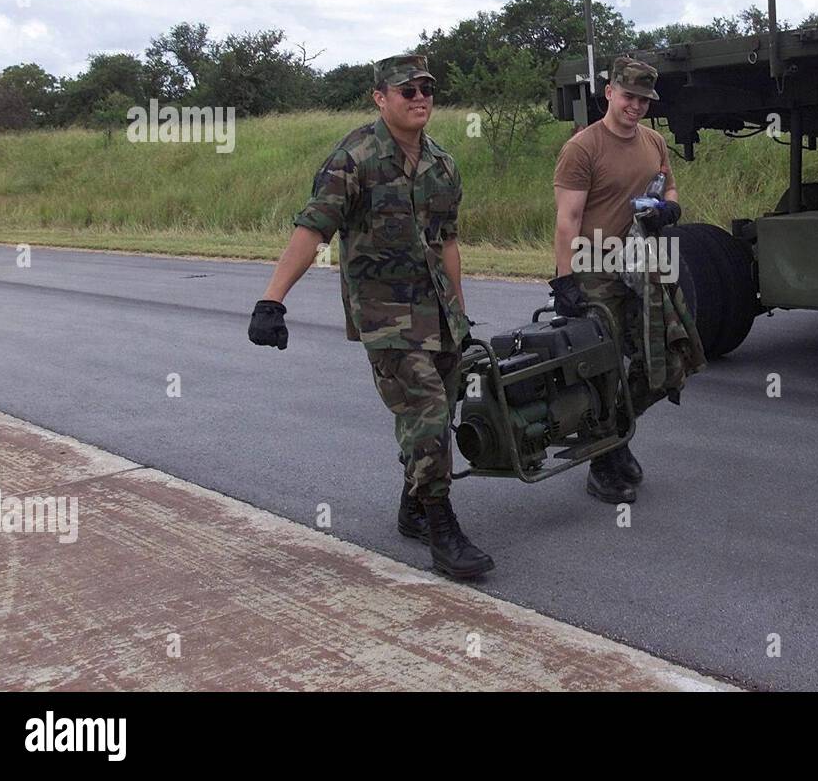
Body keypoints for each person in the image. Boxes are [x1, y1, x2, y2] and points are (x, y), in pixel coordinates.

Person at [247, 53, 493, 580]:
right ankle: (441, 524)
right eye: (408, 91)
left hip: (438, 313)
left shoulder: (443, 164)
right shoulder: (353, 159)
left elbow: (448, 241)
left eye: (427, 88)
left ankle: (411, 506)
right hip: (385, 315)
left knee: (438, 411)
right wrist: (272, 299)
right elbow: (314, 230)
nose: (420, 97)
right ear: (381, 98)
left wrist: (461, 313)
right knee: (425, 409)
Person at [550, 56, 706, 504]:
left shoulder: (654, 141)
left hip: (646, 264)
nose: (635, 106)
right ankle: (604, 461)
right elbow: (568, 221)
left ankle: (614, 436)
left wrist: (668, 208)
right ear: (610, 93)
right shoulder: (582, 148)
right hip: (595, 268)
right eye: (629, 97)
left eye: (644, 99)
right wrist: (566, 282)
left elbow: (668, 187)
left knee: (667, 359)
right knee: (604, 367)